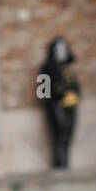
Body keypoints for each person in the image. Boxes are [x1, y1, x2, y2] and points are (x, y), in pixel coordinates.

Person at [40, 36, 81, 170]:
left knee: (68, 135)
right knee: (59, 134)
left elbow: (75, 86)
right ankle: (59, 165)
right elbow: (44, 91)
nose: (61, 52)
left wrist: (76, 95)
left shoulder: (68, 70)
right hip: (56, 105)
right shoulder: (46, 67)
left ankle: (65, 164)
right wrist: (54, 99)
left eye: (64, 49)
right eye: (58, 49)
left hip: (71, 105)